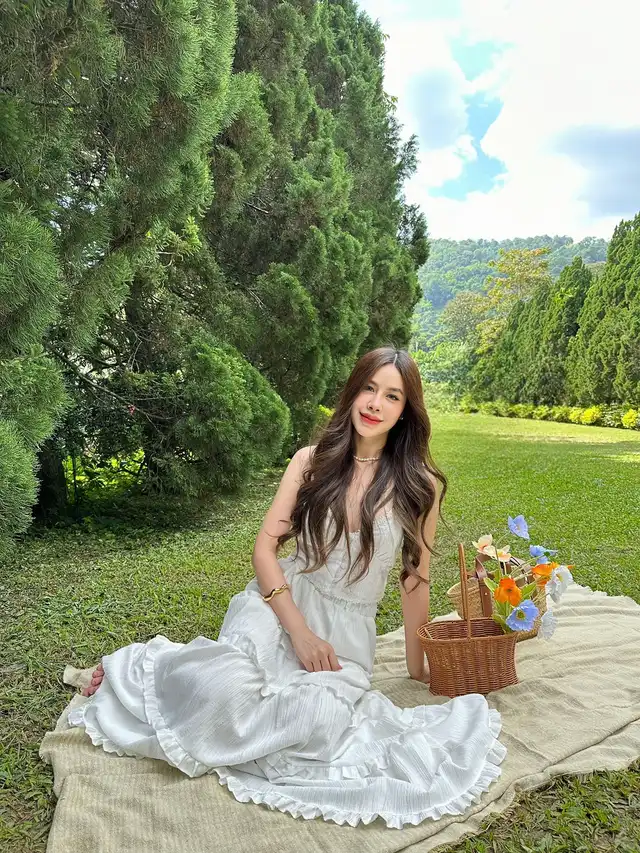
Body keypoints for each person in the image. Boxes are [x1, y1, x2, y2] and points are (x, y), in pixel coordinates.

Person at [68, 346, 506, 829]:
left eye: (391, 396)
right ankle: (134, 669)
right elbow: (264, 552)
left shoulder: (420, 485)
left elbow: (414, 581)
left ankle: (211, 706)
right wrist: (299, 632)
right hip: (279, 605)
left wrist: (418, 666)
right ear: (352, 391)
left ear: (406, 410)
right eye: (368, 388)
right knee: (224, 684)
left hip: (347, 637)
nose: (374, 403)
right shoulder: (310, 462)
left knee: (315, 720)